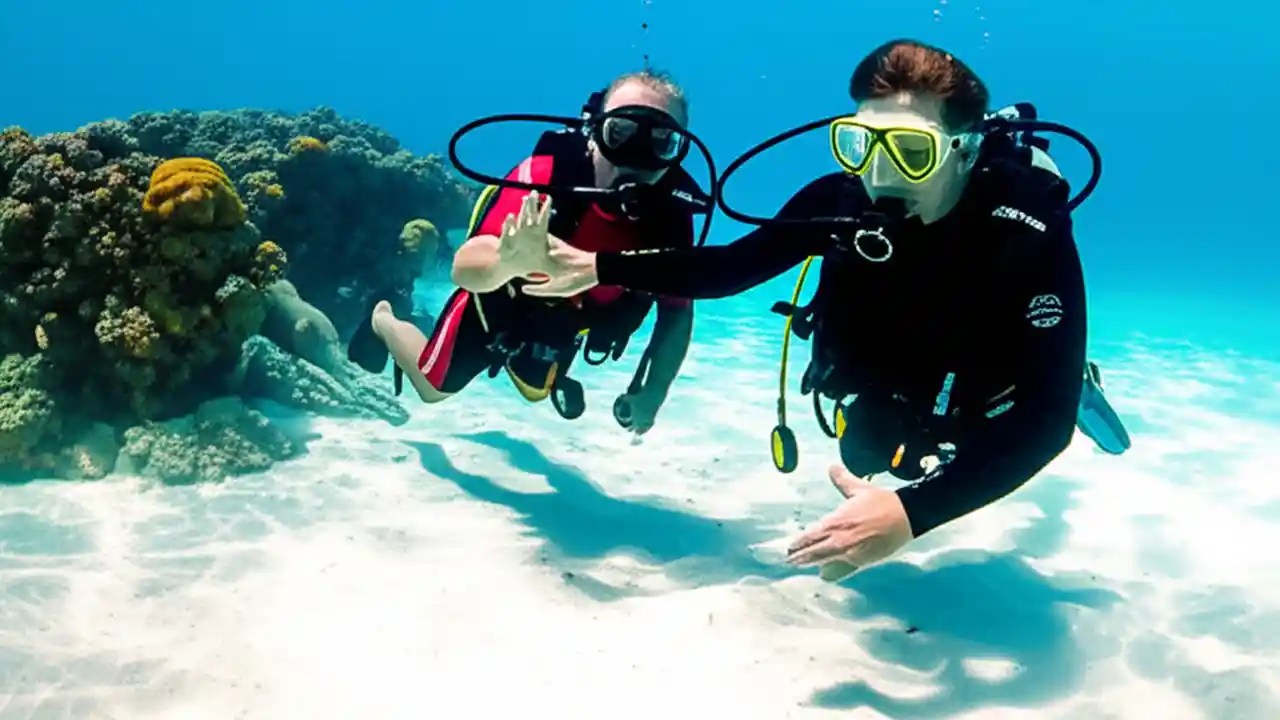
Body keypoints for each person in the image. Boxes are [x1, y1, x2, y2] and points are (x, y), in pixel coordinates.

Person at [506, 39, 1131, 579]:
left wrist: (912, 515)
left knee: (995, 431)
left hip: (985, 380)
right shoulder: (843, 200)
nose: (880, 173)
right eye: (860, 143)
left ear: (963, 151)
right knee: (864, 455)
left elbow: (1042, 427)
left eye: (912, 151)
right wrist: (599, 267)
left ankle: (1075, 375)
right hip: (898, 367)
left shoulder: (1023, 227)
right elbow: (731, 267)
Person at [351, 70, 706, 434]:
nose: (638, 158)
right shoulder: (547, 175)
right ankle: (383, 319)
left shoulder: (671, 217)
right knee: (433, 387)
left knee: (535, 391)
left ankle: (527, 363)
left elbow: (677, 311)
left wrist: (654, 391)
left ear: (678, 152)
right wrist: (507, 262)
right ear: (594, 135)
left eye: (662, 142)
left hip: (565, 322)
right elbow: (464, 268)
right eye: (621, 134)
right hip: (497, 298)